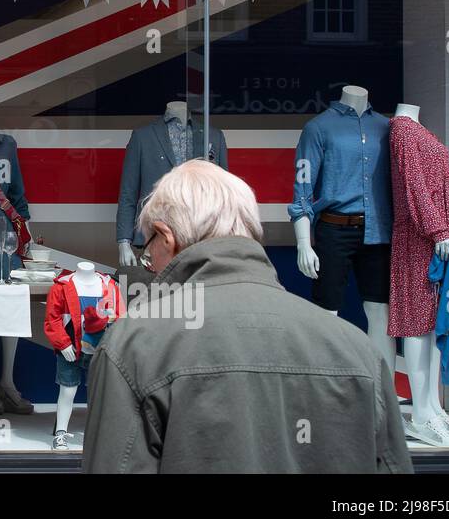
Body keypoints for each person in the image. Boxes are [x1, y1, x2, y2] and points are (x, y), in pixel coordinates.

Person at [83, 159, 412, 474]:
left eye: (147, 253)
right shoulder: (358, 350)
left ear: (166, 237)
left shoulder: (135, 346)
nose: (150, 265)